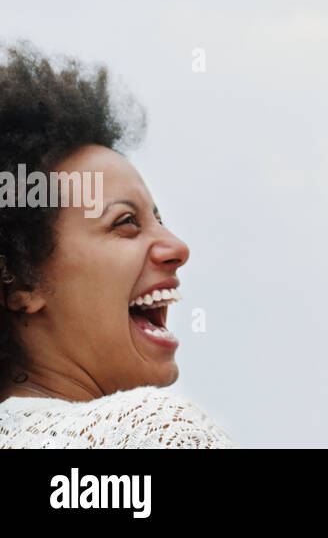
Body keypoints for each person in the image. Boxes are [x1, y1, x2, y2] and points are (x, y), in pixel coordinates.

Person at [0, 41, 234, 448]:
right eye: (126, 222)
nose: (176, 247)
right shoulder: (152, 432)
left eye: (159, 219)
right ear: (22, 279)